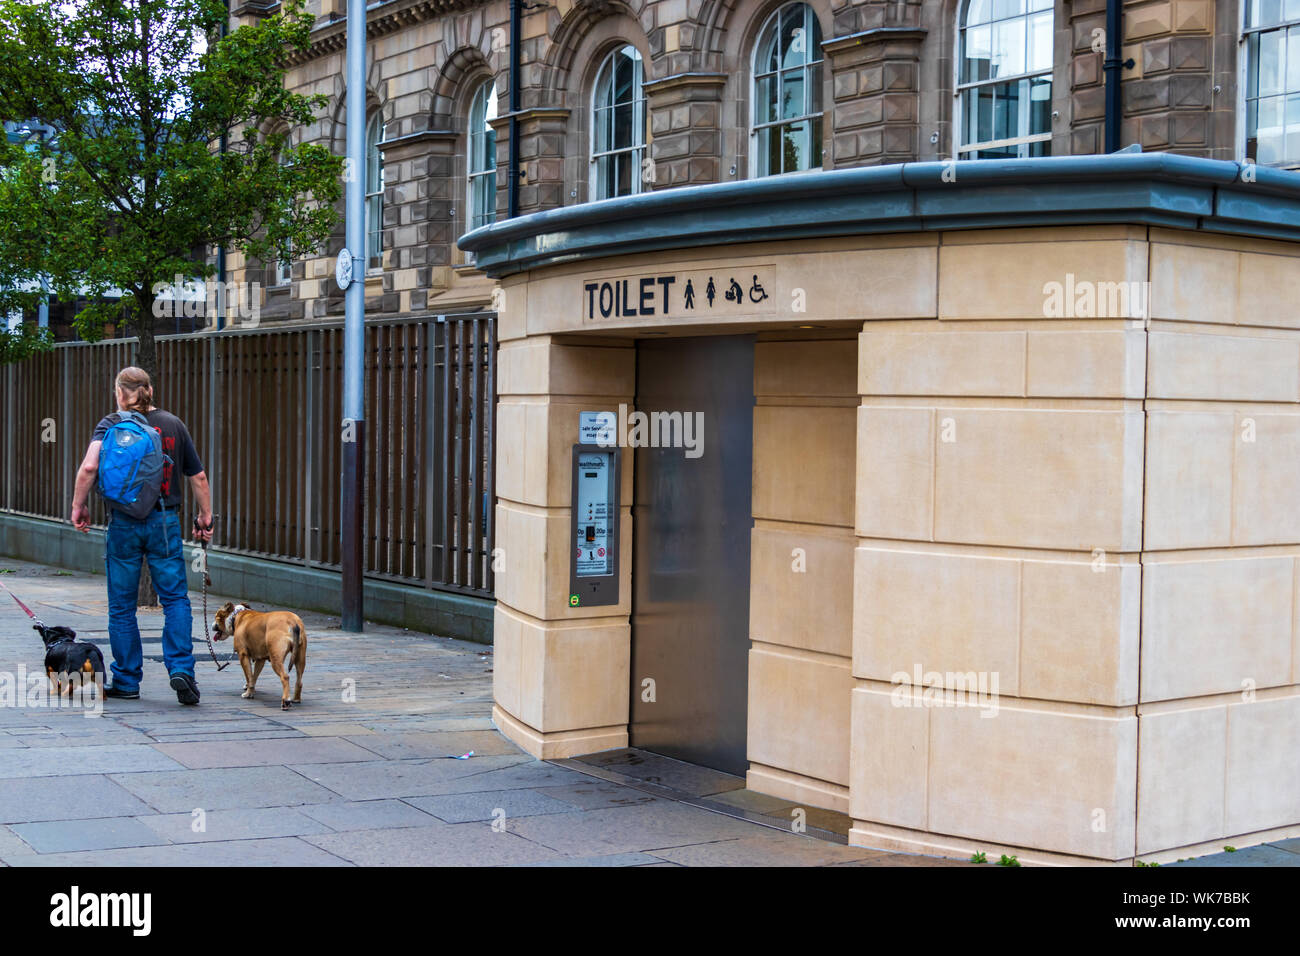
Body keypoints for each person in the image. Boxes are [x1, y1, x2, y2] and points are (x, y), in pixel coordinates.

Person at [69, 367, 213, 704]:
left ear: (120, 391)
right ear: (149, 389)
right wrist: (205, 516)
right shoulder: (174, 425)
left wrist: (79, 505)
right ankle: (181, 671)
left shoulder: (109, 424)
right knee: (175, 599)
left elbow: (89, 468)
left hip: (123, 522)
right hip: (164, 522)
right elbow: (199, 477)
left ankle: (127, 680)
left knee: (122, 606)